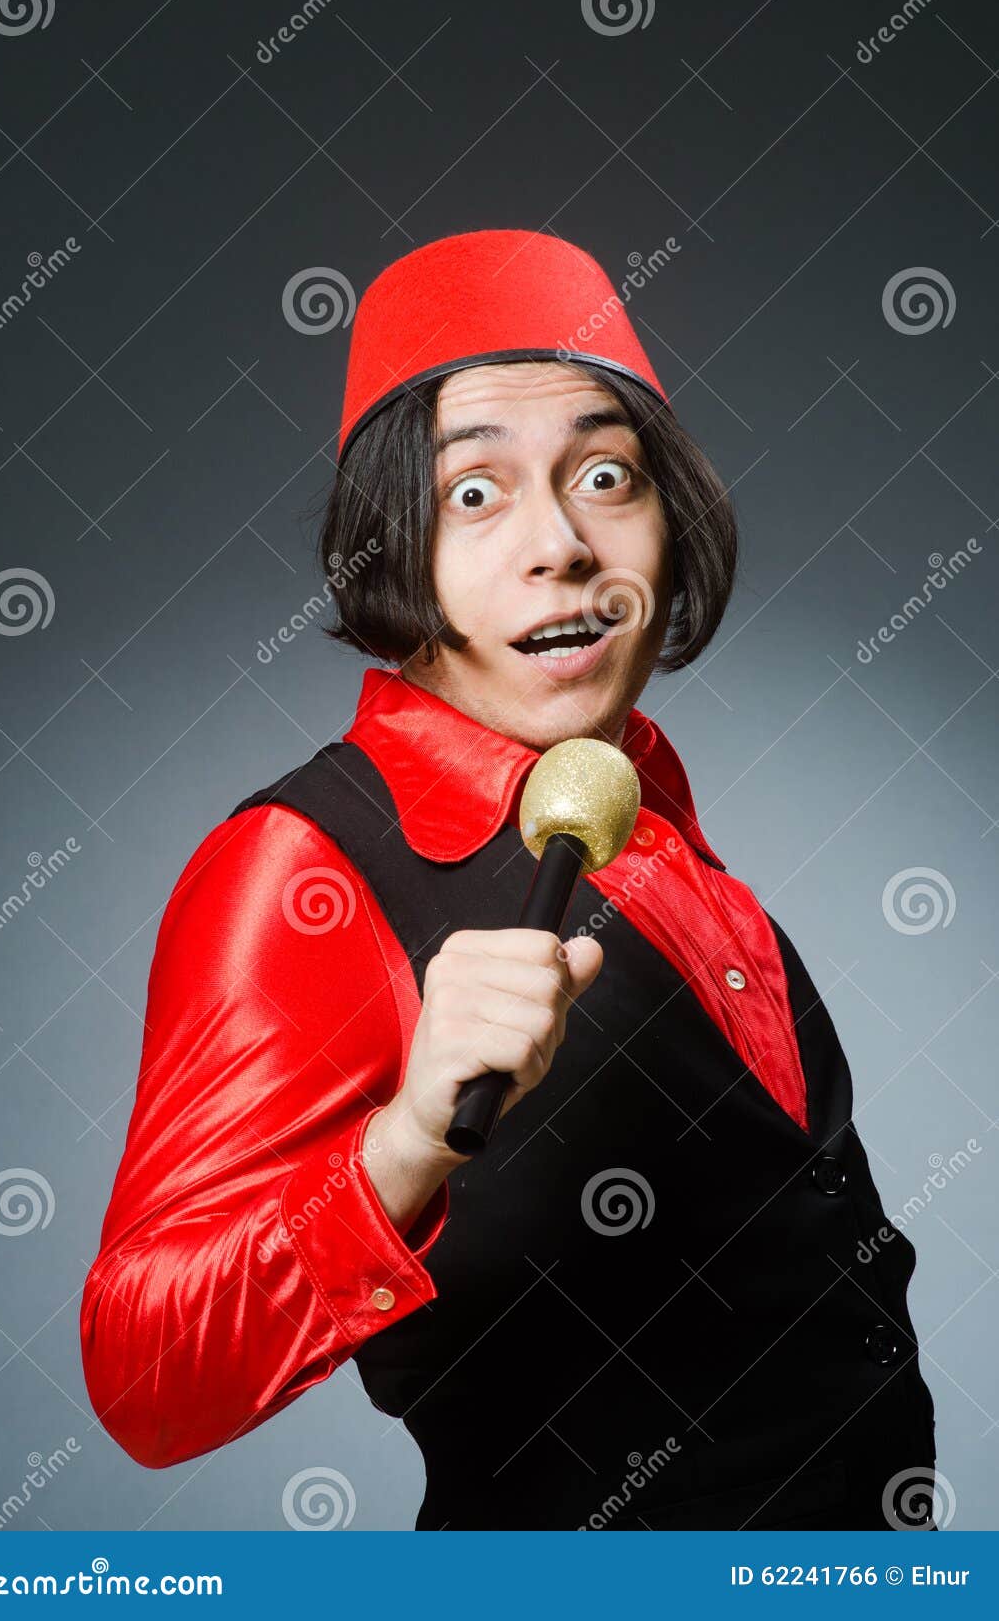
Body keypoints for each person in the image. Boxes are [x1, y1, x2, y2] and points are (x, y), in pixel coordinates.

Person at [80, 228, 937, 1530]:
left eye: (607, 473)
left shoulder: (642, 817)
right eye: (475, 492)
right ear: (392, 544)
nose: (561, 544)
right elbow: (144, 1372)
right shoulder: (301, 869)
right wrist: (405, 1141)